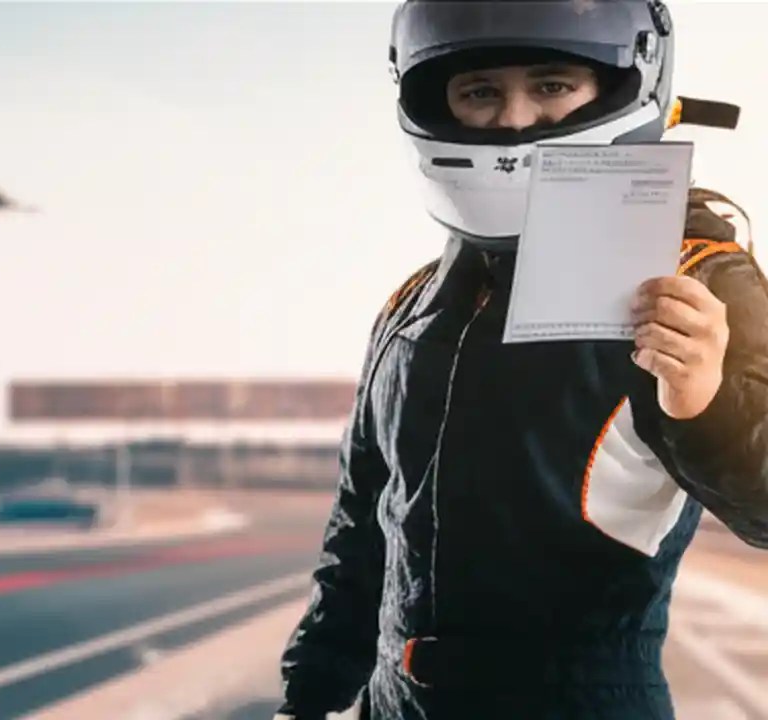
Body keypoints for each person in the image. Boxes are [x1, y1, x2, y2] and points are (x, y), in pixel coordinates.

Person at [275, 1, 766, 719]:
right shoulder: (412, 305)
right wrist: (308, 695)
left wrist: (709, 402)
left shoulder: (695, 279)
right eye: (480, 92)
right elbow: (362, 528)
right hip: (396, 705)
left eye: (551, 85)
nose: (513, 121)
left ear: (620, 83)